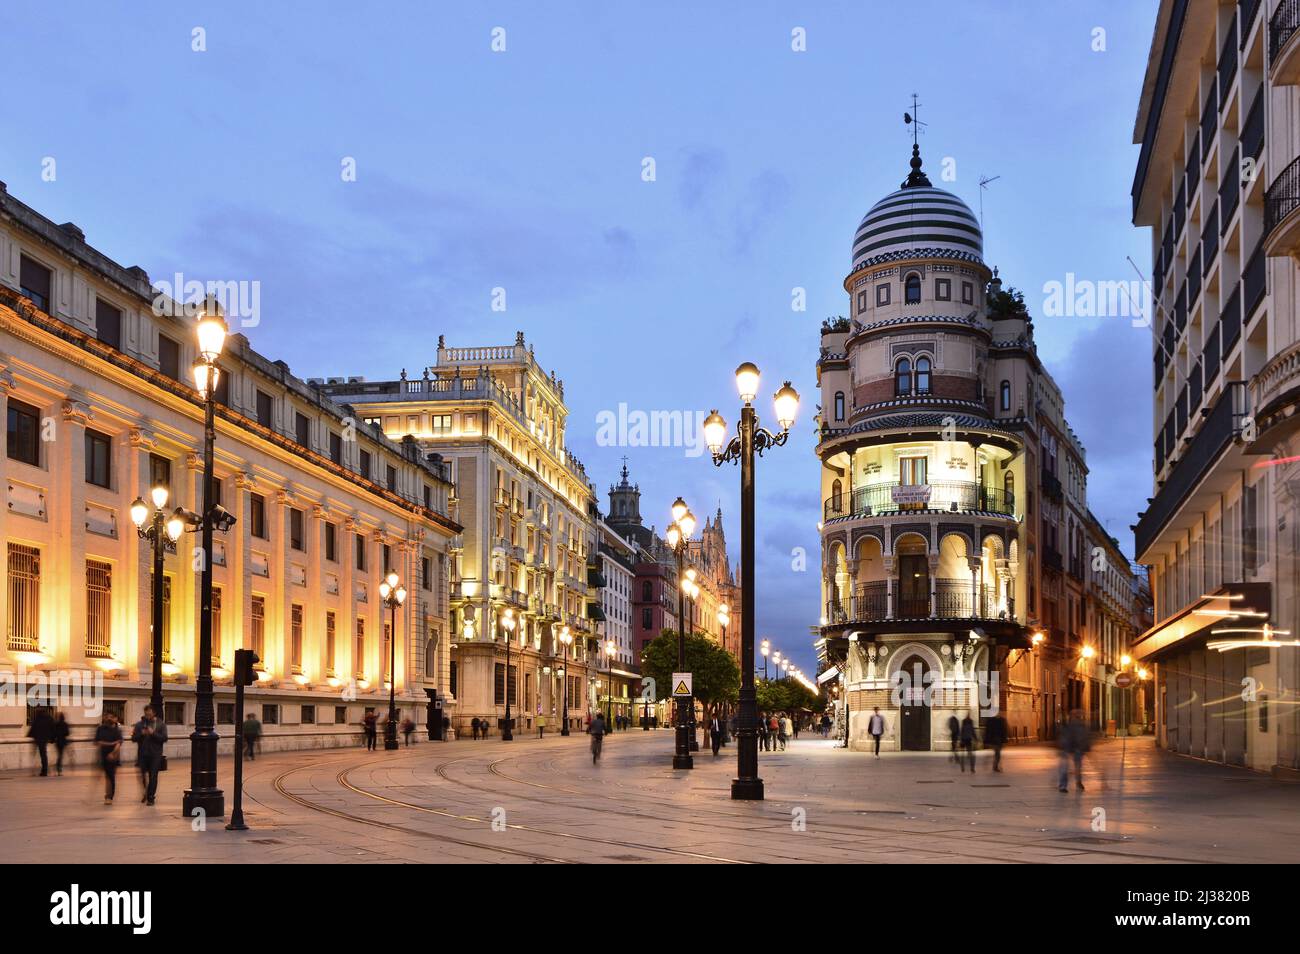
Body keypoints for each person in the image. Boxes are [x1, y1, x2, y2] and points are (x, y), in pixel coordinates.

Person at [130, 705, 168, 805]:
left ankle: (151, 797)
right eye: (146, 714)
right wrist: (141, 734)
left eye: (149, 713)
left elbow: (164, 738)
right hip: (142, 754)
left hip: (155, 754)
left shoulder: (160, 724)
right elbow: (133, 738)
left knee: (153, 776)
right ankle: (146, 791)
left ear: (154, 713)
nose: (148, 715)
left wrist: (153, 733)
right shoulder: (139, 725)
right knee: (142, 776)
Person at [94, 712, 123, 805]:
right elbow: (97, 742)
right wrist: (111, 743)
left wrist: (113, 753)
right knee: (106, 776)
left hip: (113, 756)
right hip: (102, 755)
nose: (108, 718)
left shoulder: (116, 730)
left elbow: (118, 743)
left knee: (110, 776)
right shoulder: (100, 728)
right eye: (106, 716)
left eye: (110, 717)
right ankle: (108, 795)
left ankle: (109, 796)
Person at [1058, 709, 1090, 792]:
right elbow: (1085, 737)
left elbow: (1085, 737)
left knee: (1071, 767)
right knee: (1071, 767)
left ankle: (1067, 784)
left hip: (1073, 748)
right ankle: (1068, 784)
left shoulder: (1078, 725)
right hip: (1071, 748)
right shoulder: (1072, 725)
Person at [28, 707, 54, 776]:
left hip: (38, 739)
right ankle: (44, 770)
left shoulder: (37, 718)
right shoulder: (49, 718)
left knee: (41, 754)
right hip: (44, 739)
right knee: (43, 755)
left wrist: (30, 735)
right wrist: (52, 738)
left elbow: (33, 728)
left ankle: (44, 770)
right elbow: (52, 728)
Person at [53, 711, 71, 775]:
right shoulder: (65, 724)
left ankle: (58, 766)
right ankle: (58, 768)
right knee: (60, 755)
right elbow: (67, 733)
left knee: (59, 755)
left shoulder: (56, 724)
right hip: (63, 741)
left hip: (57, 741)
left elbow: (54, 733)